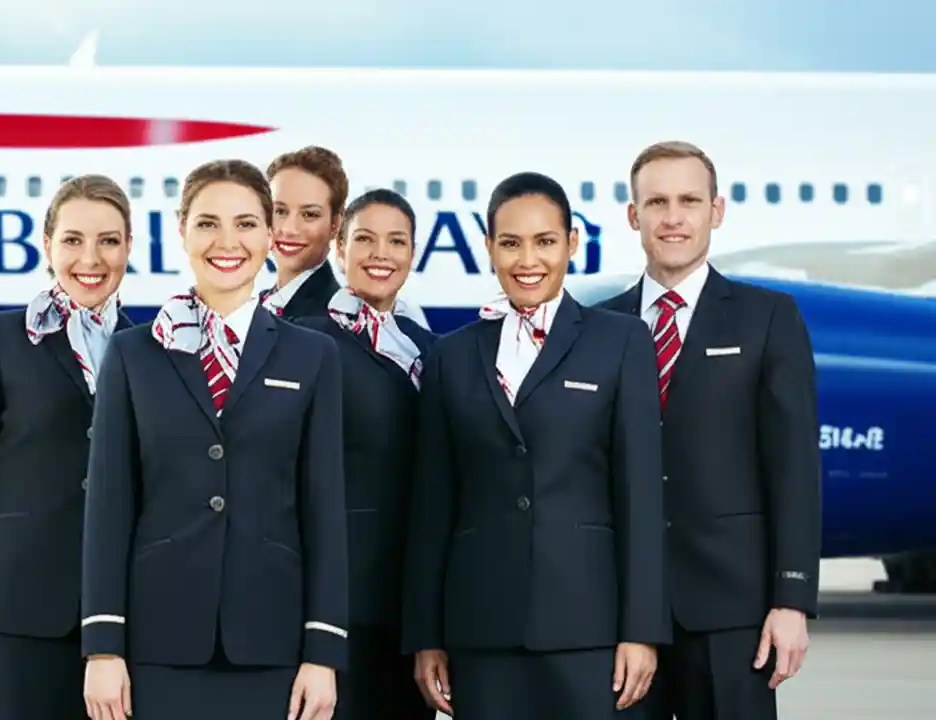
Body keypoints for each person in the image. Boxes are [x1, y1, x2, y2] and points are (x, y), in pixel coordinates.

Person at [80, 159, 348, 720]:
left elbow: (325, 508)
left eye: (246, 224)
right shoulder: (134, 355)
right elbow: (108, 506)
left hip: (272, 643)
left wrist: (323, 652)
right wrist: (103, 646)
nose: (228, 242)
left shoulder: (313, 355)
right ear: (180, 232)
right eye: (208, 224)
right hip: (158, 643)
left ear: (270, 235)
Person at [402, 171, 668, 718]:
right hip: (482, 631)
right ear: (489, 248)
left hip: (591, 631)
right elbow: (433, 505)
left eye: (545, 242)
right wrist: (426, 635)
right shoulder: (451, 357)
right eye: (511, 243)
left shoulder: (620, 341)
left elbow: (641, 495)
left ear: (572, 243)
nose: (528, 260)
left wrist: (642, 631)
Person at [596, 140, 821, 720]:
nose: (673, 217)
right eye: (658, 202)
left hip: (733, 613)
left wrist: (791, 600)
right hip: (620, 614)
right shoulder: (599, 327)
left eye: (689, 201)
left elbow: (794, 470)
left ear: (715, 211)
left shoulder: (769, 317)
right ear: (633, 215)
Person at [0, 175, 136, 719]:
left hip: (124, 620)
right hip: (11, 615)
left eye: (108, 241)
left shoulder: (150, 349)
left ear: (129, 248)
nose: (90, 257)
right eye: (72, 240)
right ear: (47, 246)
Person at [293, 188, 435, 720]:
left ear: (413, 252)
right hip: (337, 603)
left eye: (397, 241)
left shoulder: (428, 347)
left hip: (411, 606)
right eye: (366, 239)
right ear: (339, 247)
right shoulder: (304, 341)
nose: (382, 254)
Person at [260, 146, 349, 319]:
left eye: (309, 214)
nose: (289, 229)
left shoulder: (331, 324)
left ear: (336, 223)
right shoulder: (260, 304)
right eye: (279, 211)